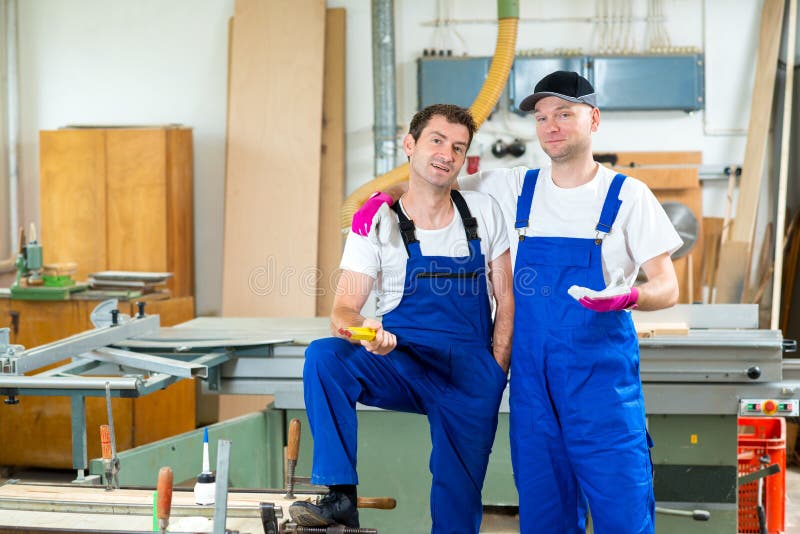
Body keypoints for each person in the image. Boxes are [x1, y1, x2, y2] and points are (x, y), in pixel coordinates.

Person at [352, 71, 682, 533]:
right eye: (543, 116)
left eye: (564, 114)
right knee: (545, 520)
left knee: (623, 518)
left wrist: (631, 296)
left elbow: (668, 287)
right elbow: (431, 180)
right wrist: (382, 197)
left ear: (594, 119)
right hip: (532, 395)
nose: (551, 125)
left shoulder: (628, 196)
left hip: (601, 394)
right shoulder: (511, 188)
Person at [290, 103, 514, 533]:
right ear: (409, 145)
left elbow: (506, 300)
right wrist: (364, 332)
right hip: (402, 360)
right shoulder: (376, 221)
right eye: (436, 140)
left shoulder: (484, 211)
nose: (446, 153)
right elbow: (342, 310)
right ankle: (340, 497)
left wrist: (496, 371)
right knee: (326, 357)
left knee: (458, 497)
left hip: (470, 375)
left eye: (457, 147)